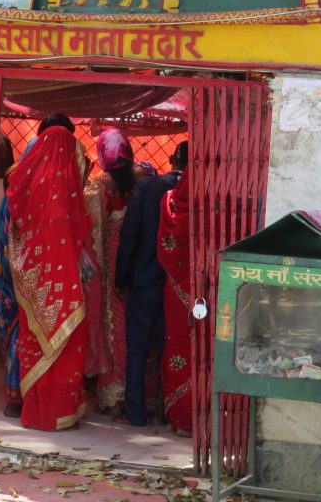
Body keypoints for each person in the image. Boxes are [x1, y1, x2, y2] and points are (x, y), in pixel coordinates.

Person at [6, 125, 91, 431]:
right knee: (66, 343)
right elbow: (80, 233)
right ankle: (60, 413)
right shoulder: (67, 190)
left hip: (33, 283)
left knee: (36, 340)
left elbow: (13, 225)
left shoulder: (27, 183)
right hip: (64, 283)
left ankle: (36, 412)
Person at [114, 141, 186, 427]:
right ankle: (167, 409)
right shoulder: (203, 190)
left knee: (138, 347)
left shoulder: (148, 188)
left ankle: (135, 411)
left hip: (145, 280)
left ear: (171, 159)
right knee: (173, 347)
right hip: (182, 287)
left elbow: (129, 236)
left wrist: (122, 278)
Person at [88, 127, 154, 413]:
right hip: (143, 258)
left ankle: (114, 395)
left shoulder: (100, 185)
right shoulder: (147, 176)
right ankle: (143, 393)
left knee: (113, 327)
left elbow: (94, 227)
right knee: (142, 327)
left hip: (113, 262)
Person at [156, 142, 193, 435]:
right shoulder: (226, 198)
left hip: (179, 288)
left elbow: (168, 244)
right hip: (214, 288)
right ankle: (207, 415)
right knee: (208, 349)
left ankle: (181, 417)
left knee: (179, 343)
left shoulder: (171, 201)